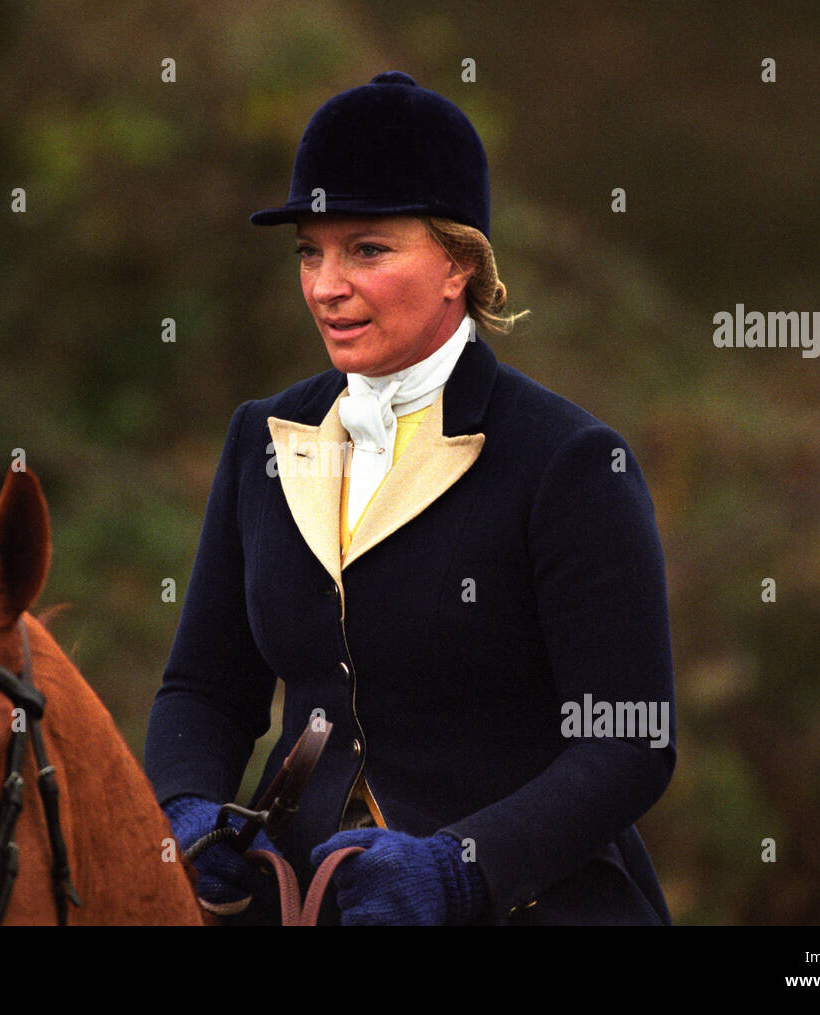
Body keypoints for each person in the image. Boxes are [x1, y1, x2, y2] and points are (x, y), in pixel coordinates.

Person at [144, 71, 676, 925]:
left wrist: (463, 870)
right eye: (310, 253)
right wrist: (190, 810)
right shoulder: (263, 437)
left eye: (367, 250)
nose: (324, 285)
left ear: (459, 264)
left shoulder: (571, 461)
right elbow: (205, 687)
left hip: (525, 901)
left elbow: (628, 741)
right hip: (299, 901)